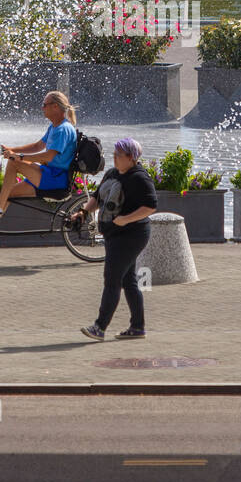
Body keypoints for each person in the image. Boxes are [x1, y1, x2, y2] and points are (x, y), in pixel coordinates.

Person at [73, 138, 157, 341]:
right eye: (114, 154)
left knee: (112, 279)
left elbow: (151, 206)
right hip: (114, 235)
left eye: (118, 155)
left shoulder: (139, 178)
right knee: (129, 280)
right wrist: (83, 213)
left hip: (132, 235)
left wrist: (125, 219)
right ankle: (137, 328)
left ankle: (99, 327)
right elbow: (96, 198)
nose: (114, 158)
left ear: (131, 157)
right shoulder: (112, 173)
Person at [0, 90, 78, 231]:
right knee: (9, 193)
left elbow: (48, 156)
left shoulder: (63, 129)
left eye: (44, 105)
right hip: (48, 174)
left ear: (55, 106)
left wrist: (19, 158)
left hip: (56, 179)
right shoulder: (54, 126)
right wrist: (13, 150)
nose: (42, 108)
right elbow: (38, 146)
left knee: (13, 163)